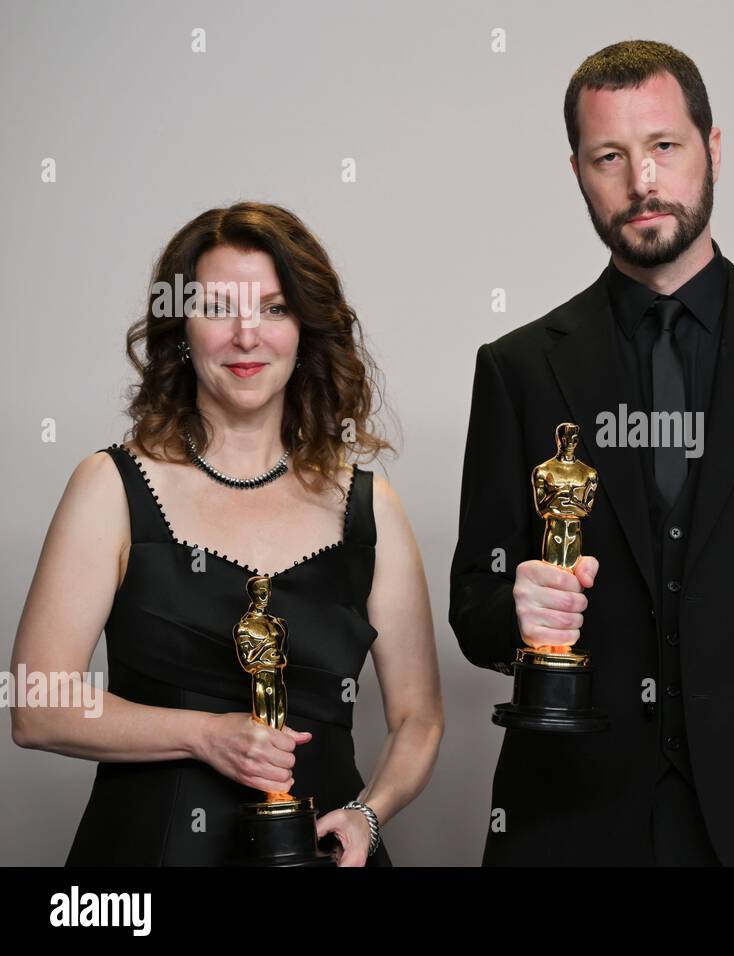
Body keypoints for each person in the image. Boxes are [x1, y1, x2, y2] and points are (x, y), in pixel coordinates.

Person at [449, 40, 734, 865]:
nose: (643, 182)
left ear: (714, 148)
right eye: (610, 157)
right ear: (577, 172)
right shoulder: (518, 368)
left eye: (665, 147)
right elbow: (476, 609)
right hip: (567, 824)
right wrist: (512, 611)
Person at [10, 202, 443, 866]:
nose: (247, 335)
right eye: (218, 307)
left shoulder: (371, 507)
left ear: (305, 330)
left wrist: (368, 814)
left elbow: (419, 718)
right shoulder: (110, 487)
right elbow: (37, 707)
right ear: (182, 330)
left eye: (274, 308)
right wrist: (204, 735)